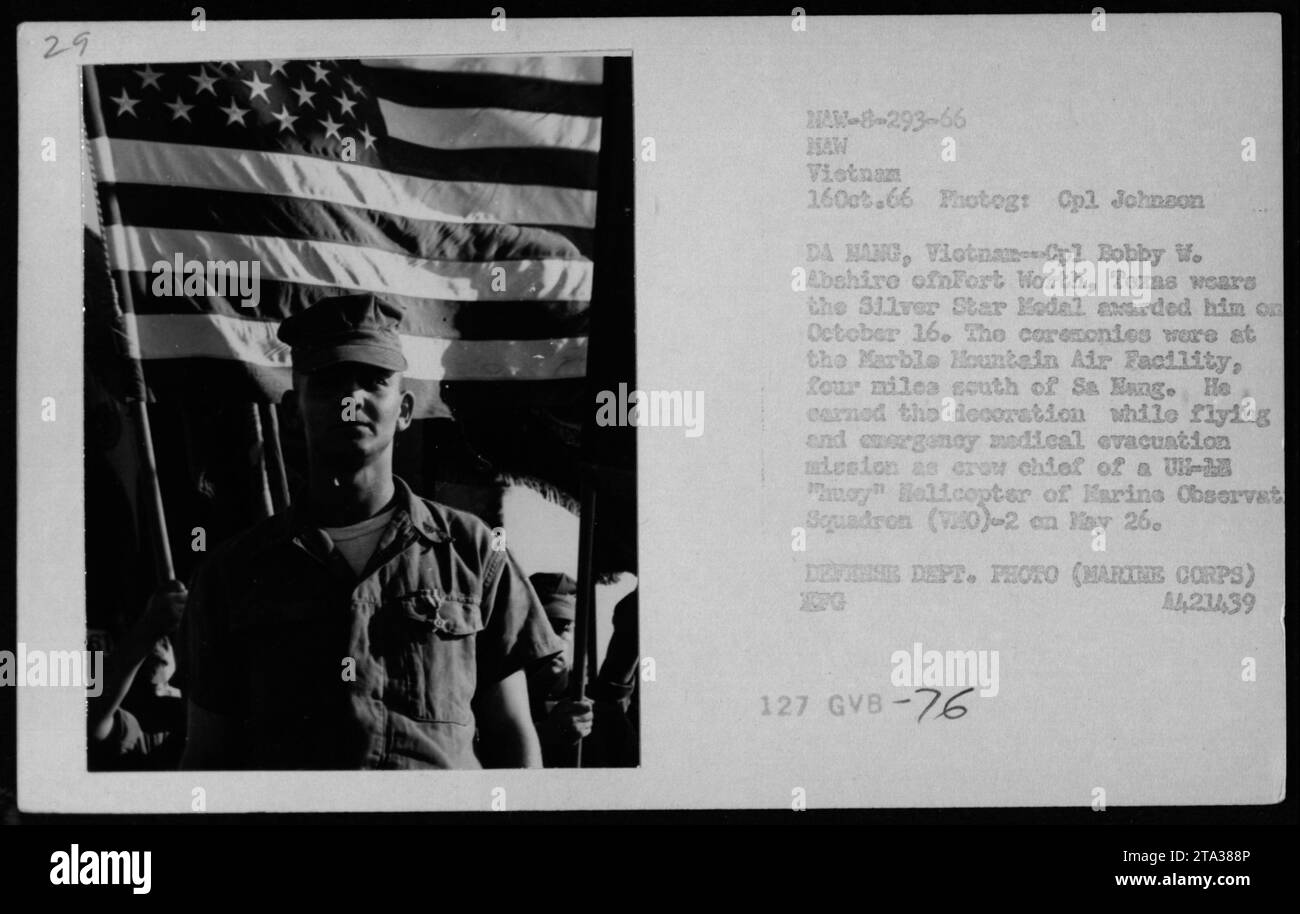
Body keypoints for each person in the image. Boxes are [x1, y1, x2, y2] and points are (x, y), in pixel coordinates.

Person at [179, 293, 564, 769]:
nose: (352, 398)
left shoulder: (472, 551)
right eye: (329, 381)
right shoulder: (232, 573)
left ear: (403, 410)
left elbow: (511, 737)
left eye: (374, 381)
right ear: (293, 410)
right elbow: (207, 757)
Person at [525, 572, 594, 766]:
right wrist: (545, 733)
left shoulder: (591, 698)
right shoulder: (496, 697)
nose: (552, 639)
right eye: (543, 627)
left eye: (563, 628)